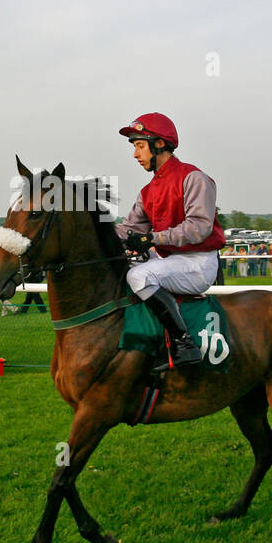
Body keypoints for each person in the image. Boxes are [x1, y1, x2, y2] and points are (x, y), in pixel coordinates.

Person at [113, 112, 225, 370]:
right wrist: (97, 235)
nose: (135, 154)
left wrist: (152, 238)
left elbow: (199, 227)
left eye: (140, 146)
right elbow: (130, 229)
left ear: (159, 144)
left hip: (198, 263)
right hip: (169, 260)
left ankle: (184, 344)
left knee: (138, 277)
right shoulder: (148, 191)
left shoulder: (194, 178)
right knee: (121, 270)